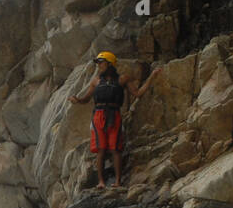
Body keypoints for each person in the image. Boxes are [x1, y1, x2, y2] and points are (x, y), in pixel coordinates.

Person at [69, 51, 163, 189]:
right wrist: (76, 100)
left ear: (109, 64)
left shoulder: (123, 79)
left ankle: (118, 181)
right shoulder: (95, 81)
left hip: (114, 115)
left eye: (101, 62)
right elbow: (86, 99)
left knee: (115, 149)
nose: (99, 66)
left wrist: (152, 76)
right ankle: (101, 182)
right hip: (98, 116)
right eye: (98, 63)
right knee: (100, 149)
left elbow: (138, 93)